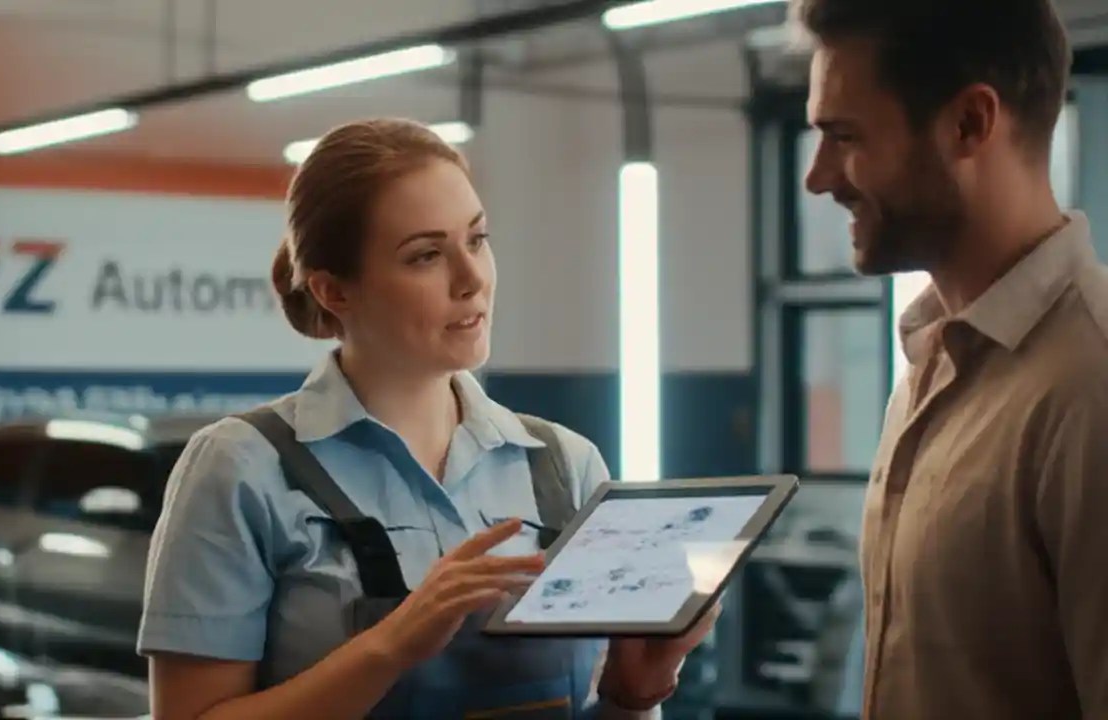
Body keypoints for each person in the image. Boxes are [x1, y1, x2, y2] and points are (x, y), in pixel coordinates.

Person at [136, 117, 718, 720]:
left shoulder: (563, 466)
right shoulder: (241, 470)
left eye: (478, 239)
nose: (472, 280)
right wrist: (390, 645)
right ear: (334, 291)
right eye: (425, 255)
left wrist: (635, 694)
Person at [794, 0, 1108, 717]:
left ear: (970, 123)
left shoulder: (1091, 386)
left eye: (844, 137)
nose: (818, 178)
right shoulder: (932, 361)